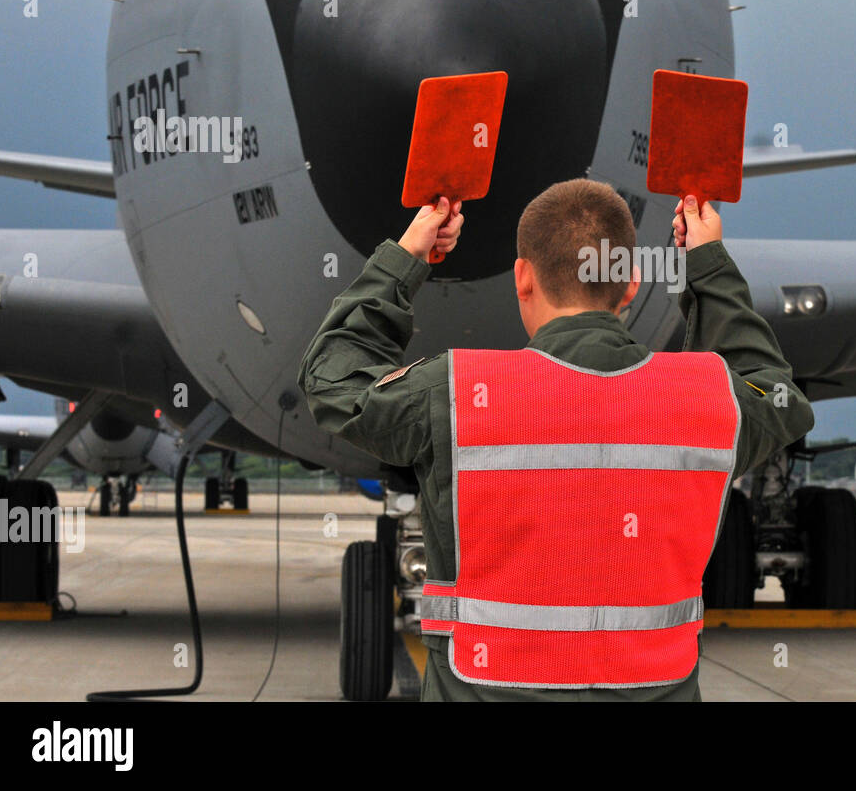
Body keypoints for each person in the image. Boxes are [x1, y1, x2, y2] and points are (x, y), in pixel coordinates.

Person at [298, 179, 813, 700]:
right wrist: (707, 267)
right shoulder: (706, 398)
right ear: (631, 283)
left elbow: (333, 379)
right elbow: (778, 396)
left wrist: (406, 257)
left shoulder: (456, 392)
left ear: (522, 277)